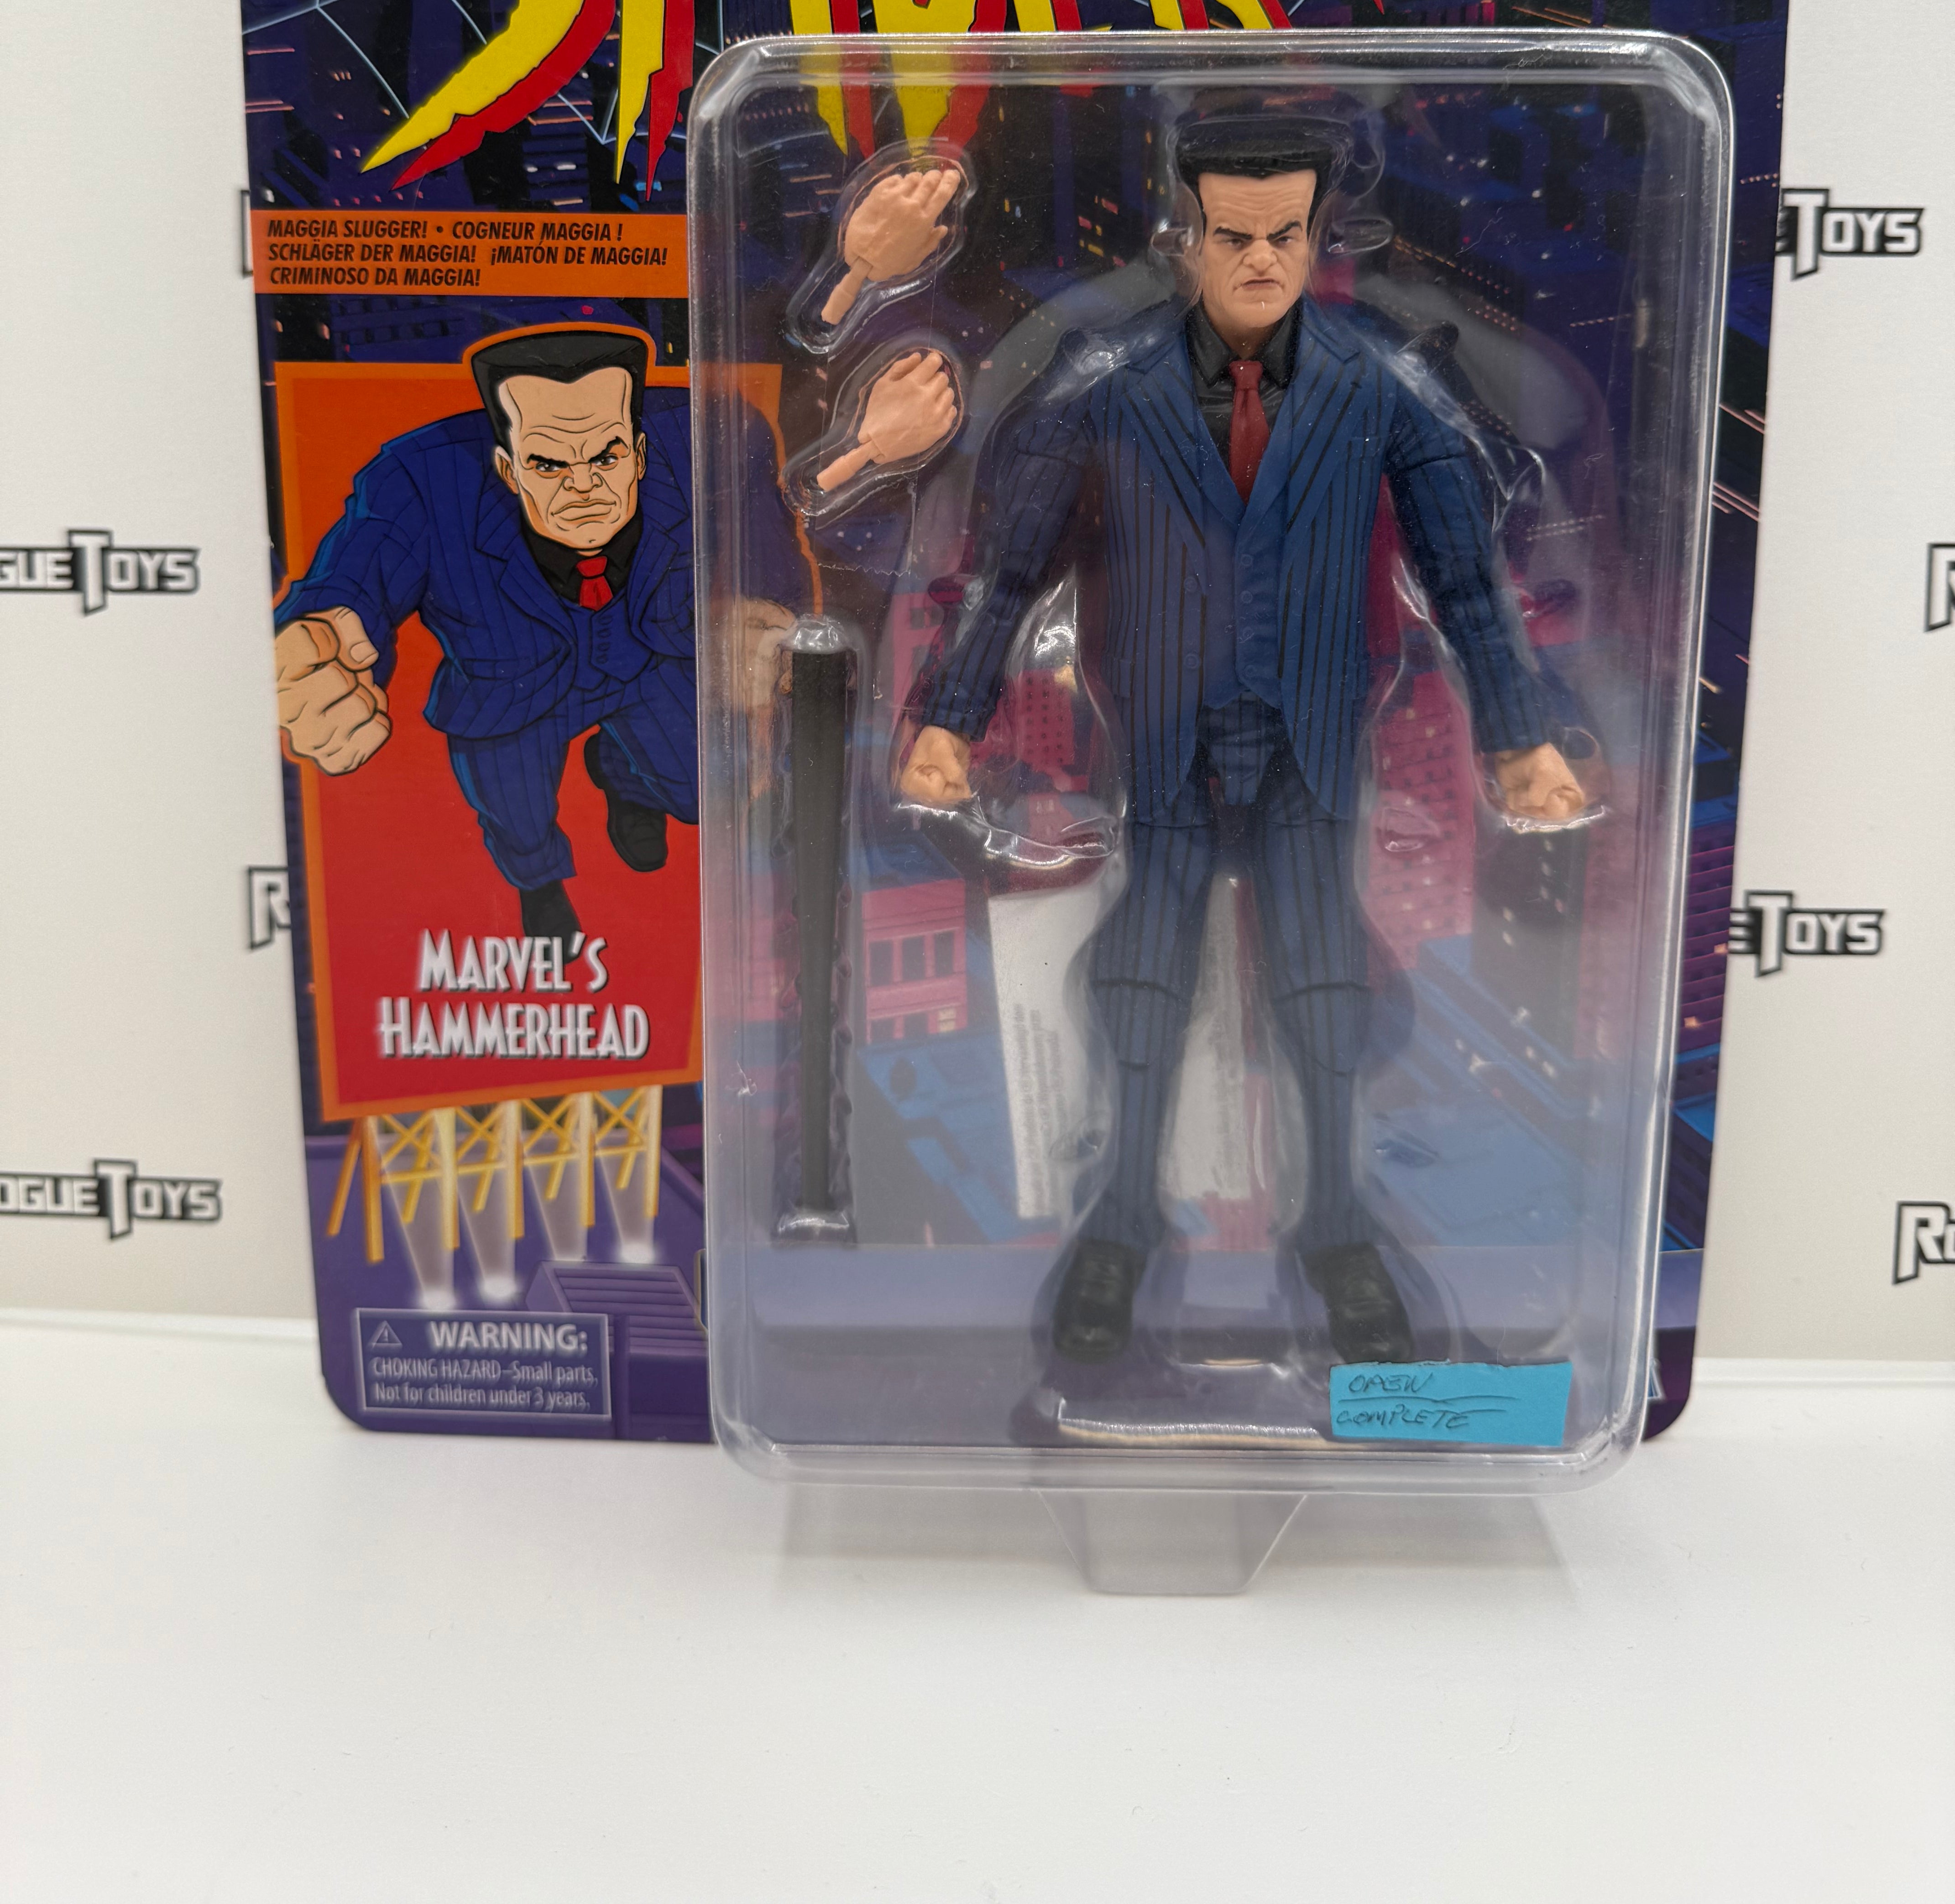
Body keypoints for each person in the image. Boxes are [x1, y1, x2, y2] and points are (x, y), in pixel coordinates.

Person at [899, 120, 1586, 1366]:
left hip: (1314, 736)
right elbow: (1005, 570)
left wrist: (1518, 739)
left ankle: (1336, 1232)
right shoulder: (1104, 383)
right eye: (1233, 235)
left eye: (1284, 235)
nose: (1260, 259)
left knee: (1320, 986)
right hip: (1163, 738)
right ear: (1188, 237)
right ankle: (1119, 1225)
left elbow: (1466, 582)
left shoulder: (1382, 385)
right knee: (1143, 980)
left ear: (1318, 236)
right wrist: (950, 716)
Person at [273, 324, 797, 944]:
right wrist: (322, 645)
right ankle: (539, 883)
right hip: (511, 690)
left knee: (695, 791)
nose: (583, 486)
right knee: (515, 815)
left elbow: (761, 510)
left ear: (639, 453)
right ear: (508, 466)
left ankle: (622, 777)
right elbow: (354, 578)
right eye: (548, 463)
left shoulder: (704, 440)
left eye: (606, 457)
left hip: (649, 662)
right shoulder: (423, 481)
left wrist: (766, 606)